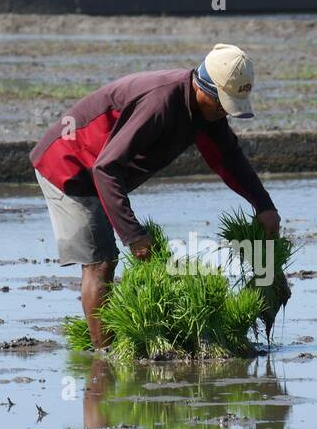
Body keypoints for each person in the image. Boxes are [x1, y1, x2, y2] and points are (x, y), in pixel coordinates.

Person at [32, 43, 280, 349]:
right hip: (70, 165)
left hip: (103, 168)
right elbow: (105, 169)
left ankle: (111, 342)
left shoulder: (207, 112)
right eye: (221, 103)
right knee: (101, 261)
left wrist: (264, 205)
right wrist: (133, 234)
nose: (222, 112)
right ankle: (105, 357)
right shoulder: (161, 103)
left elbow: (227, 157)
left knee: (107, 258)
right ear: (203, 85)